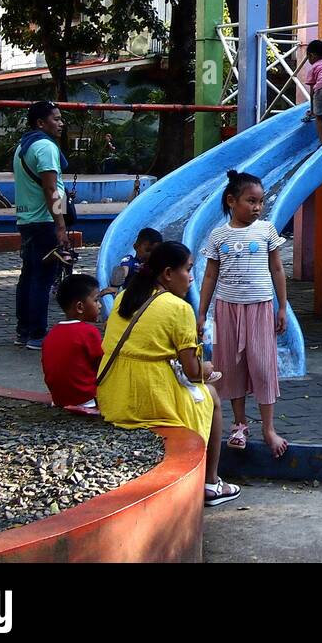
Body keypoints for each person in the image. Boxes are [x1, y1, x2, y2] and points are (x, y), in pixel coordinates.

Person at [97, 241, 239, 507]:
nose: (191, 277)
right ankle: (211, 482)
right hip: (151, 397)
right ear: (167, 274)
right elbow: (193, 371)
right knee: (212, 396)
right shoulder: (178, 308)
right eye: (188, 269)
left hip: (114, 393)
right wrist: (207, 369)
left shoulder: (122, 299)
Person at [198, 170, 290, 459]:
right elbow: (210, 275)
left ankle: (268, 428)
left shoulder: (266, 231)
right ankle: (239, 425)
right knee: (232, 368)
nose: (257, 207)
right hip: (227, 309)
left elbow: (277, 269)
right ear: (231, 201)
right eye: (251, 201)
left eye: (260, 202)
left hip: (260, 307)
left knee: (262, 367)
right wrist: (202, 313)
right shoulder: (218, 235)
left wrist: (283, 306)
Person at [13, 100, 69, 350]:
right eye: (55, 119)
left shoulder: (23, 146)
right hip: (45, 221)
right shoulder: (45, 147)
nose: (61, 123)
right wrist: (60, 224)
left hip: (27, 220)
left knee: (28, 276)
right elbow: (50, 188)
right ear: (40, 123)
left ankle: (23, 330)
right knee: (43, 278)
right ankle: (37, 334)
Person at [41, 274, 104, 410]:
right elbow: (102, 363)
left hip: (59, 397)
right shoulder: (88, 331)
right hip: (86, 398)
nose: (99, 305)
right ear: (80, 307)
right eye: (96, 300)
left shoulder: (53, 332)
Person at [97, 226, 162, 306]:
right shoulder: (130, 261)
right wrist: (115, 286)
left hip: (150, 299)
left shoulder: (157, 265)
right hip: (131, 298)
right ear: (135, 247)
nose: (150, 254)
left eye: (155, 251)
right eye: (147, 250)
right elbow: (122, 271)